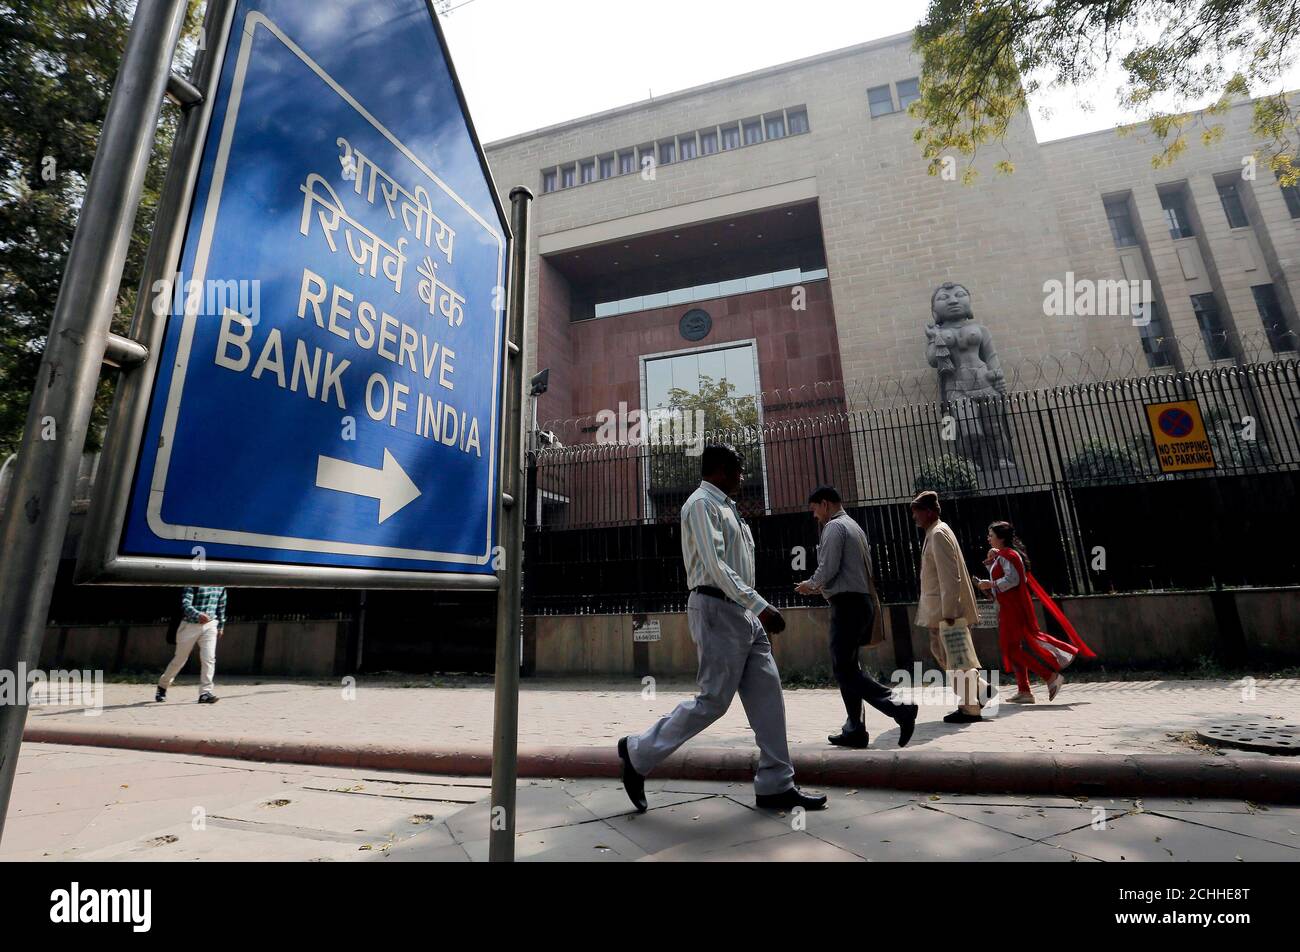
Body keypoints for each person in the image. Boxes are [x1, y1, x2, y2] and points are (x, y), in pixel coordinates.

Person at [618, 445, 827, 814]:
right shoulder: (701, 504)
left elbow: (737, 569)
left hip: (743, 612)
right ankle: (637, 752)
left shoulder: (730, 508)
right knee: (713, 700)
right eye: (739, 470)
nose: (743, 477)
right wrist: (761, 607)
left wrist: (753, 607)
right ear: (720, 469)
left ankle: (776, 783)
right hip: (716, 608)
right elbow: (715, 568)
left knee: (768, 696)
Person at [795, 485, 918, 749]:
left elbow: (828, 568)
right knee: (850, 667)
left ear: (825, 503)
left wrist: (811, 584)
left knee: (843, 668)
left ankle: (899, 707)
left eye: (815, 509)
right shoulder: (854, 526)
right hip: (859, 603)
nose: (815, 516)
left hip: (848, 604)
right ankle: (855, 730)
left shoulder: (834, 527)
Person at [977, 521, 1096, 703]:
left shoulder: (1009, 555)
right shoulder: (1005, 555)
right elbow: (1005, 578)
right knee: (1013, 648)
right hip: (1009, 607)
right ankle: (1024, 690)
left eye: (991, 535)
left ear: (1001, 538)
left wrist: (990, 584)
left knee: (1010, 648)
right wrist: (991, 563)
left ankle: (1049, 676)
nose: (988, 538)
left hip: (1013, 609)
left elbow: (1013, 580)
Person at [911, 491, 986, 724]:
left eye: (917, 512)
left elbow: (950, 577)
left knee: (956, 659)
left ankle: (970, 708)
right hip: (940, 611)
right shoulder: (936, 532)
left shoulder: (939, 533)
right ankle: (982, 689)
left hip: (946, 613)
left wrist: (950, 613)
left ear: (930, 512)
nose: (914, 517)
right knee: (950, 656)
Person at [156, 586, 226, 704]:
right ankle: (162, 686)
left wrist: (221, 626)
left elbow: (221, 606)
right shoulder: (194, 581)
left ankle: (205, 693)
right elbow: (185, 603)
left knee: (209, 658)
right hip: (190, 625)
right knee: (180, 659)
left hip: (210, 625)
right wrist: (197, 615)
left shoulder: (221, 586)